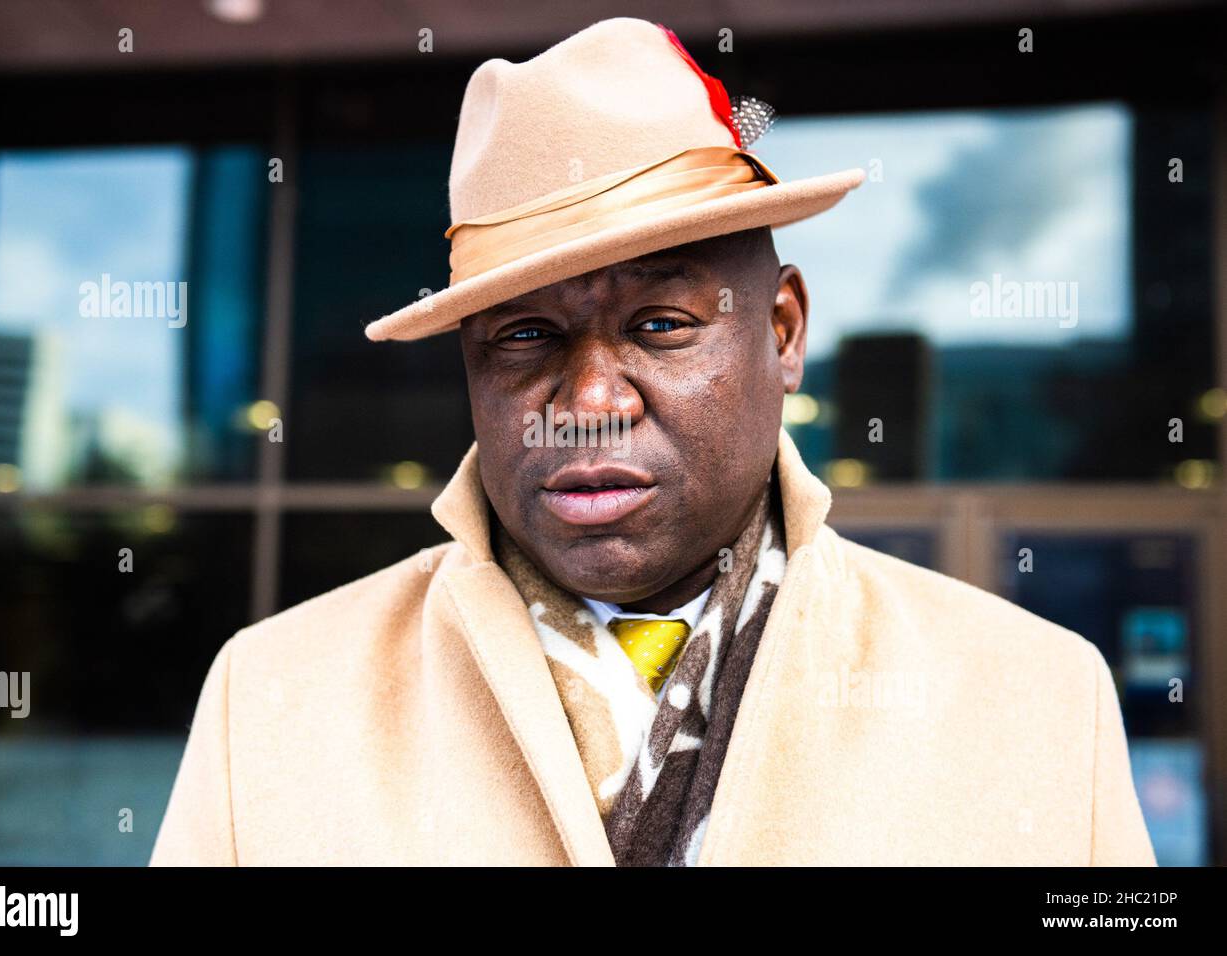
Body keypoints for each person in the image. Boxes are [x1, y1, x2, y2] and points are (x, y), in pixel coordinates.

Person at [151, 17, 1155, 866]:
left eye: (660, 324)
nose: (588, 399)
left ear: (783, 331)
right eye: (524, 335)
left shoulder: (1032, 700)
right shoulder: (273, 697)